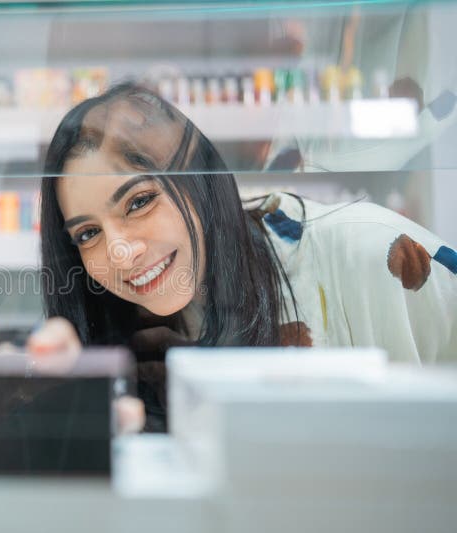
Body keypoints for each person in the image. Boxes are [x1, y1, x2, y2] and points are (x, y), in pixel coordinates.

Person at [27, 82, 457, 431]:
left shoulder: (374, 253)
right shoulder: (124, 330)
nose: (120, 253)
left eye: (139, 202)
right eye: (87, 233)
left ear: (198, 179)